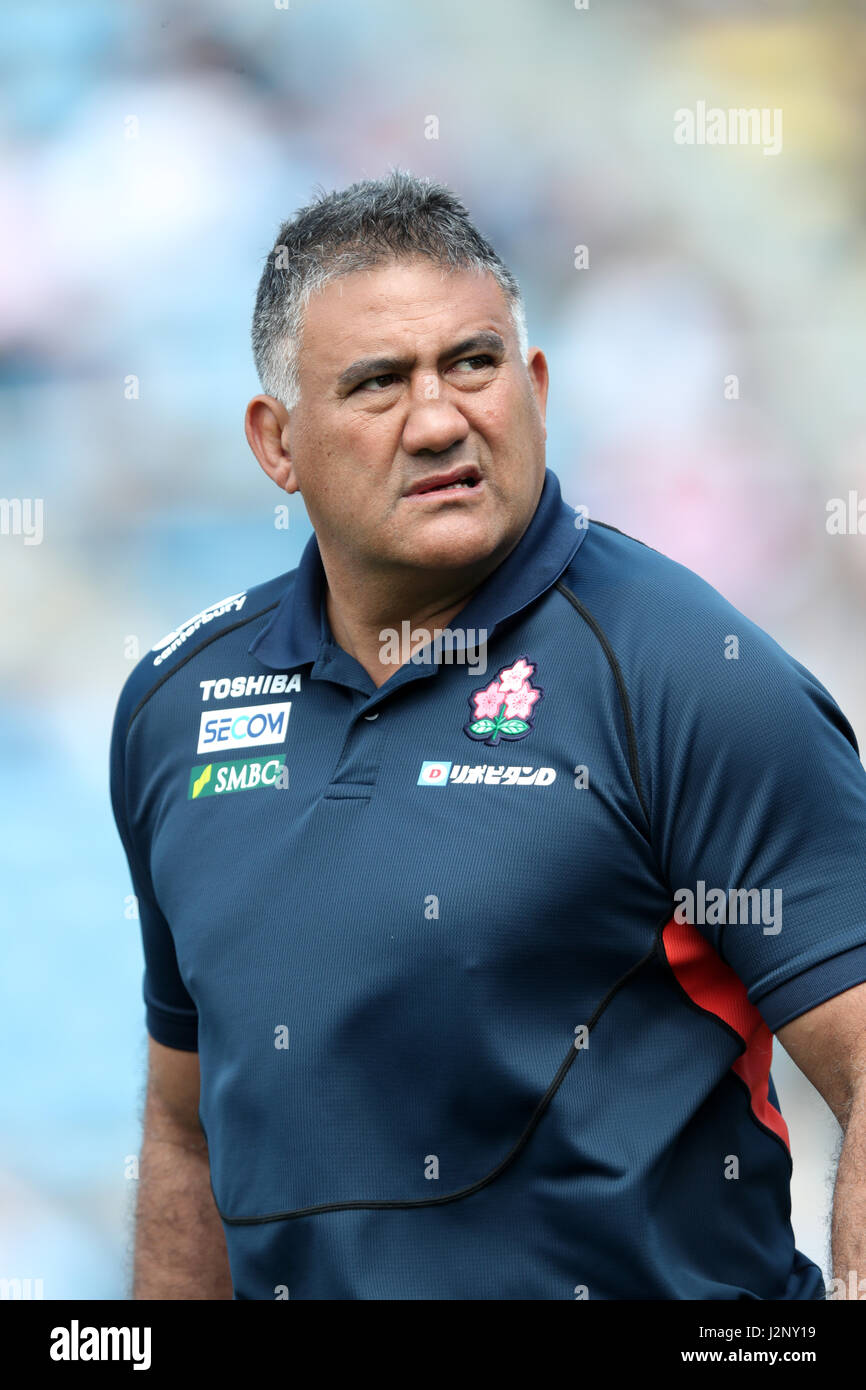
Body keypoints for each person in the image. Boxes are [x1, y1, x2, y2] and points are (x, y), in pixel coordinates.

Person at [110, 169, 866, 1301]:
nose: (437, 419)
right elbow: (186, 1132)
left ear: (537, 385)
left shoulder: (686, 674)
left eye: (471, 364)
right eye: (376, 383)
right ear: (277, 443)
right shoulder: (176, 703)